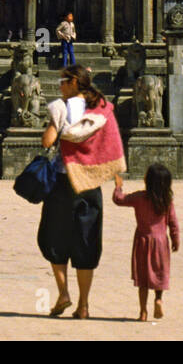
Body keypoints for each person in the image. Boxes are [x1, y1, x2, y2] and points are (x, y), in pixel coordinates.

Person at [38, 64, 127, 319]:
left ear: (75, 81)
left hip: (63, 184)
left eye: (63, 81)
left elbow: (47, 141)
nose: (60, 86)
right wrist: (115, 176)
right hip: (90, 184)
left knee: (54, 239)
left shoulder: (60, 108)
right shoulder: (103, 110)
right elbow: (111, 145)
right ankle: (84, 305)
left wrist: (54, 127)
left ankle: (64, 292)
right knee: (86, 242)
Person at [113, 163, 180, 322]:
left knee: (143, 279)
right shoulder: (167, 200)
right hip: (161, 242)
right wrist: (175, 238)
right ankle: (158, 299)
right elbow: (173, 222)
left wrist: (118, 187)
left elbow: (119, 200)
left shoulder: (139, 198)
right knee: (159, 274)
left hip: (142, 241)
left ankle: (143, 312)